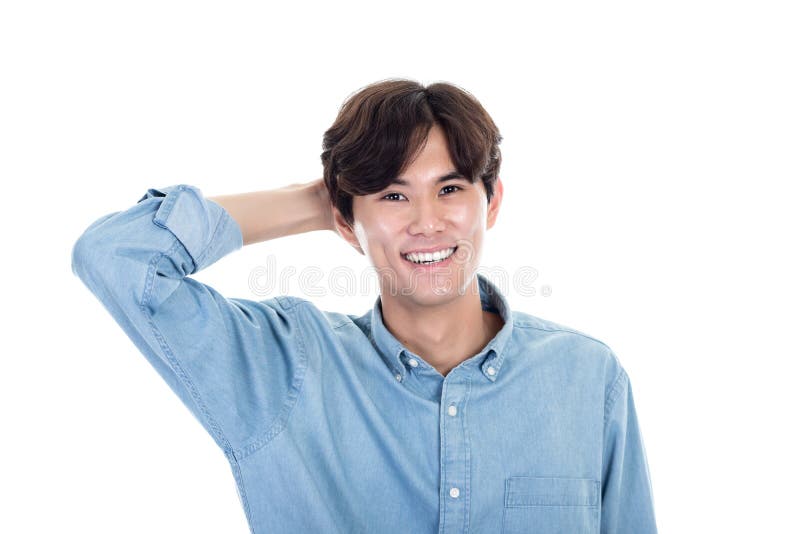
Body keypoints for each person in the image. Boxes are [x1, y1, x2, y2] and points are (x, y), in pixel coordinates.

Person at [71, 78, 658, 533]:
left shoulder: (588, 377)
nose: (427, 222)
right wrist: (319, 202)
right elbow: (116, 257)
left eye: (450, 189)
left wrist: (361, 201)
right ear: (347, 223)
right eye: (392, 194)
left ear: (492, 201)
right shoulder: (284, 368)